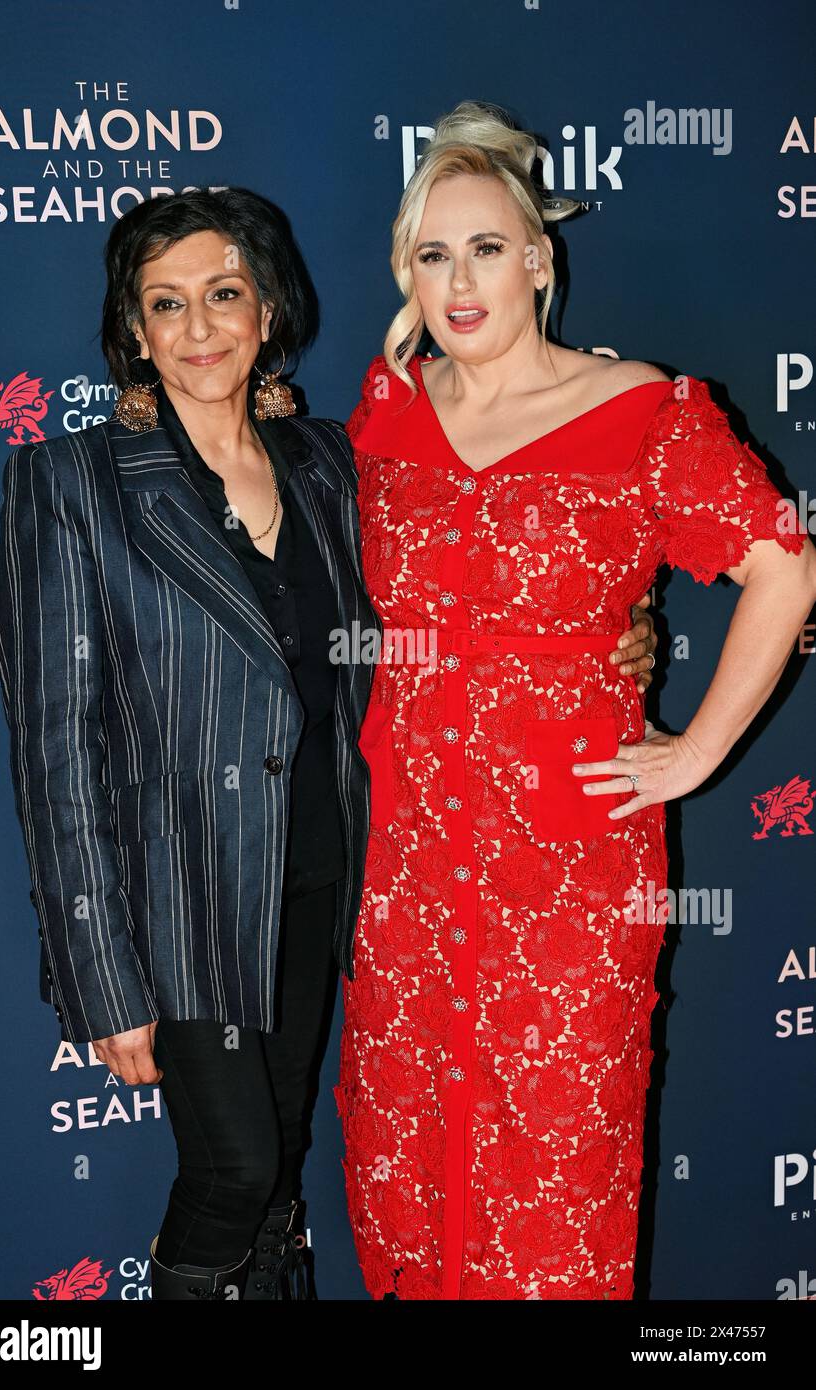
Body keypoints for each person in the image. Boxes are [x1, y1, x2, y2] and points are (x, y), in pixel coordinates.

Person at [0, 185, 658, 1302]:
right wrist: (99, 973)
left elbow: (459, 583)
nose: (198, 329)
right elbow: (54, 752)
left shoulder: (330, 463)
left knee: (282, 1161)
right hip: (183, 902)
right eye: (166, 305)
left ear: (264, 313)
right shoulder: (70, 484)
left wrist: (615, 629)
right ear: (134, 330)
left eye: (223, 295)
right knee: (233, 1167)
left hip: (324, 879)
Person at [336, 100, 816, 1301]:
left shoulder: (639, 413)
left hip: (566, 870)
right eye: (431, 253)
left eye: (486, 246)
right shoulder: (386, 415)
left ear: (539, 259)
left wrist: (695, 750)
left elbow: (780, 561)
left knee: (555, 1168)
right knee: (408, 1149)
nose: (458, 279)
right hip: (404, 855)